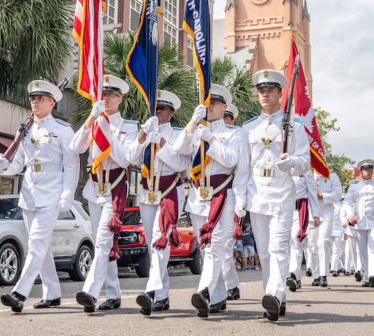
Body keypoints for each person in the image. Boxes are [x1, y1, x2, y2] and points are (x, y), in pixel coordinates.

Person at [0, 79, 79, 312]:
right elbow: (19, 164)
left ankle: (19, 293)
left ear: (52, 103)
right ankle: (52, 293)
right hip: (30, 194)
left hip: (52, 193)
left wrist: (67, 194)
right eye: (33, 98)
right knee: (40, 246)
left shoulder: (63, 130)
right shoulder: (25, 130)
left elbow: (72, 165)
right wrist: (3, 166)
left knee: (37, 243)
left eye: (40, 98)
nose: (35, 102)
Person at [234, 69, 311, 321]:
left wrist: (292, 163)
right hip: (257, 195)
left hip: (281, 194)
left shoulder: (295, 127)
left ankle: (274, 295)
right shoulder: (248, 128)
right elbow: (243, 168)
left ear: (280, 94)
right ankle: (277, 300)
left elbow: (305, 162)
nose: (264, 95)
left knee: (278, 248)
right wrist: (240, 198)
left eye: (270, 90)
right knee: (265, 253)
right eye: (261, 91)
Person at [71, 75, 144, 312]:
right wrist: (92, 118)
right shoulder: (94, 121)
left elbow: (125, 159)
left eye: (111, 94)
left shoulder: (129, 127)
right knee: (101, 243)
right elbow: (76, 147)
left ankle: (90, 292)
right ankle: (113, 294)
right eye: (103, 93)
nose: (106, 98)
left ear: (120, 98)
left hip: (115, 188)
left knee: (104, 241)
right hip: (94, 188)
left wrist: (108, 131)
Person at [184, 84, 248, 318]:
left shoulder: (235, 133)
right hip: (198, 195)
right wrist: (193, 124)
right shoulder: (196, 130)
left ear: (224, 106)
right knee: (205, 248)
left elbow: (232, 161)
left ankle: (204, 291)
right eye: (206, 103)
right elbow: (180, 151)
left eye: (214, 103)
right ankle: (218, 297)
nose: (209, 107)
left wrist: (210, 139)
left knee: (216, 247)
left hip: (222, 195)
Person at [135, 90, 191, 315]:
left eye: (163, 108)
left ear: (171, 112)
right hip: (148, 190)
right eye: (156, 108)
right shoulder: (146, 130)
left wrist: (159, 141)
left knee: (161, 240)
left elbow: (180, 163)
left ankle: (150, 292)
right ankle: (163, 295)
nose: (158, 112)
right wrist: (143, 135)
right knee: (154, 245)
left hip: (170, 190)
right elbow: (132, 159)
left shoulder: (178, 135)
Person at [343, 159, 374, 288]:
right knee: (362, 250)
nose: (368, 171)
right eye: (365, 169)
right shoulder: (354, 187)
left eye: (370, 169)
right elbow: (347, 202)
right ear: (361, 171)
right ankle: (367, 277)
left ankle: (373, 275)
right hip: (360, 222)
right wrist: (350, 214)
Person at [287, 170, 320, 291]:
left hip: (299, 211)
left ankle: (293, 274)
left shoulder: (306, 172)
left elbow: (312, 193)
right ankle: (296, 277)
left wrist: (315, 214)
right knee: (287, 245)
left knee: (296, 241)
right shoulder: (282, 168)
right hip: (284, 211)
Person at [311, 169, 342, 287]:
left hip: (326, 213)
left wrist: (322, 196)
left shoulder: (332, 175)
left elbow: (338, 195)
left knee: (323, 243)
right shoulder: (308, 174)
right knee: (313, 245)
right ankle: (315, 275)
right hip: (311, 213)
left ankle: (323, 275)